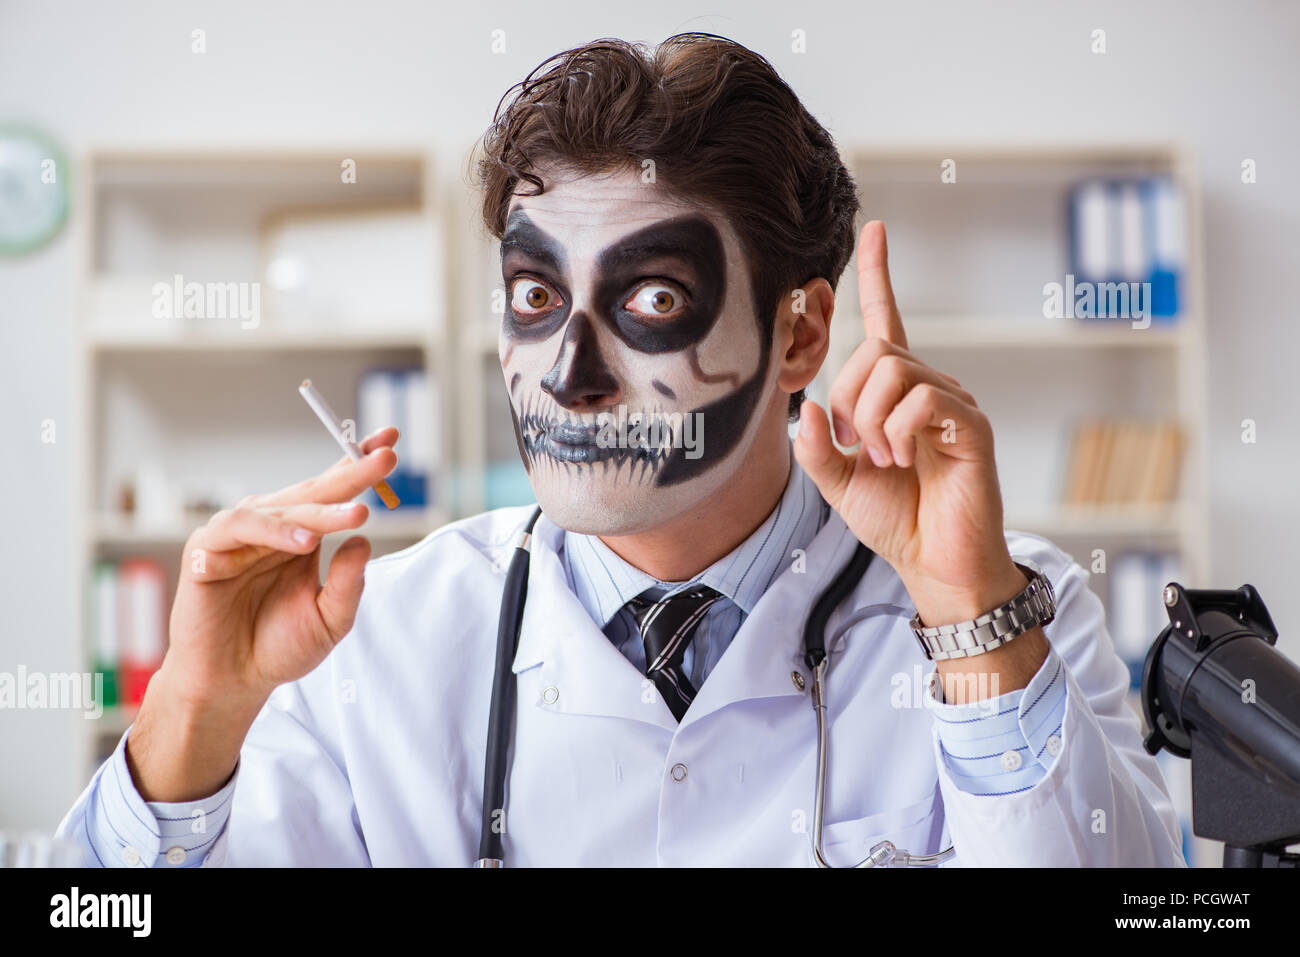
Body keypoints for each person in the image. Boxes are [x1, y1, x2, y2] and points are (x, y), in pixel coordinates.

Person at [57, 33, 1185, 867]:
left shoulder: (1002, 604)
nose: (567, 373)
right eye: (536, 295)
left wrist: (965, 618)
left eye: (652, 296)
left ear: (797, 334)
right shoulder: (371, 642)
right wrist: (191, 719)